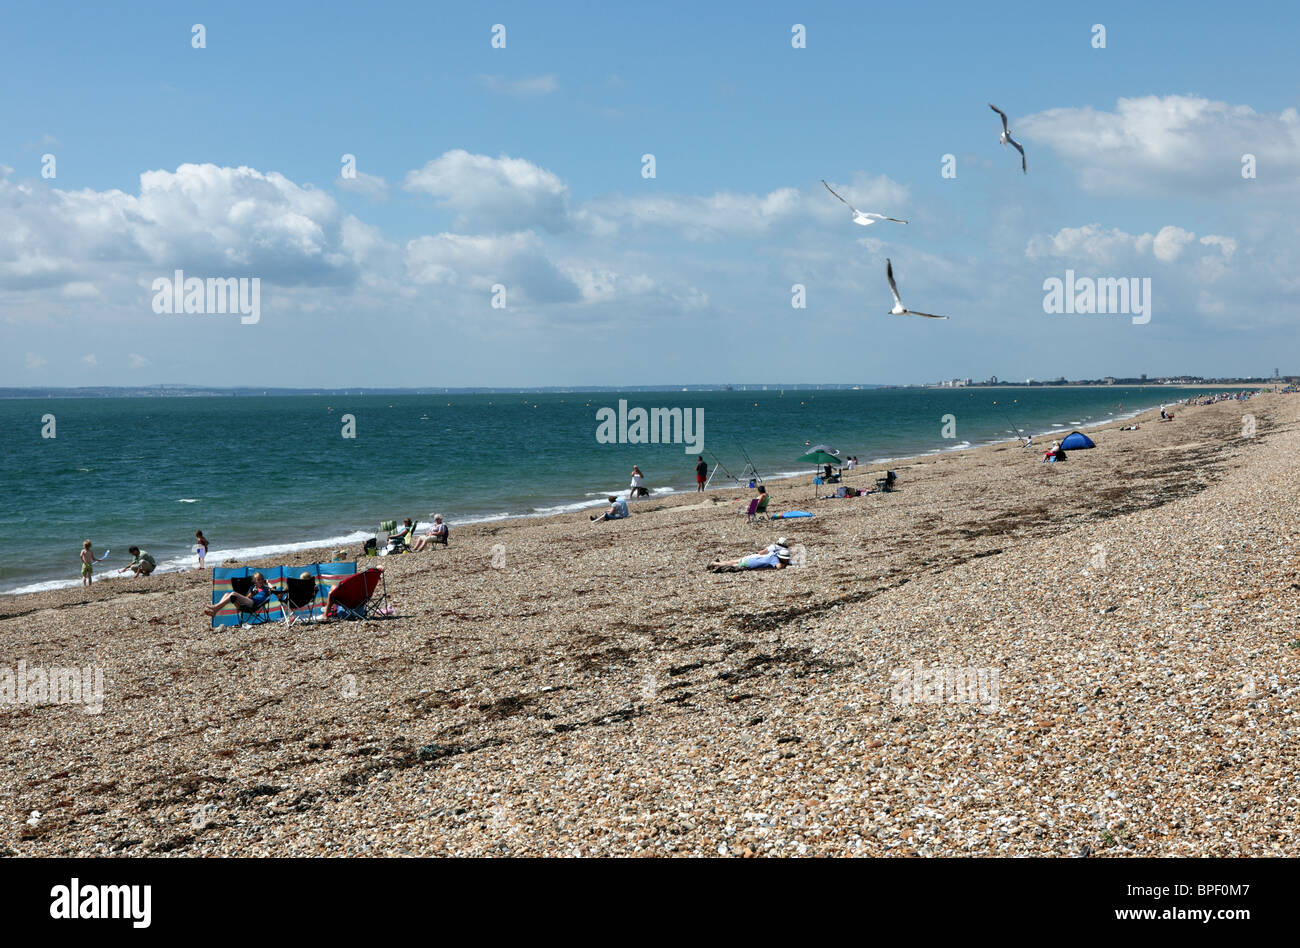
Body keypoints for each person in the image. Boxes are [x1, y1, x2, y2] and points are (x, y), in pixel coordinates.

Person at [204, 571, 272, 617]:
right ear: (255, 581)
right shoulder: (253, 588)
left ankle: (216, 607)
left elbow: (273, 589)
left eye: (262, 579)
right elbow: (247, 598)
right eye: (258, 580)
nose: (260, 581)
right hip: (250, 602)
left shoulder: (266, 588)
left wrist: (268, 582)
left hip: (255, 604)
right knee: (227, 594)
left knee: (233, 593)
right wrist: (251, 595)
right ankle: (215, 611)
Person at [707, 538, 792, 572]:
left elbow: (761, 553)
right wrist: (787, 565)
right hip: (753, 561)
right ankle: (715, 563)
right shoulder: (776, 556)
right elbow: (779, 566)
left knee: (734, 562)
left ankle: (718, 562)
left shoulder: (775, 552)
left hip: (755, 558)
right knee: (734, 564)